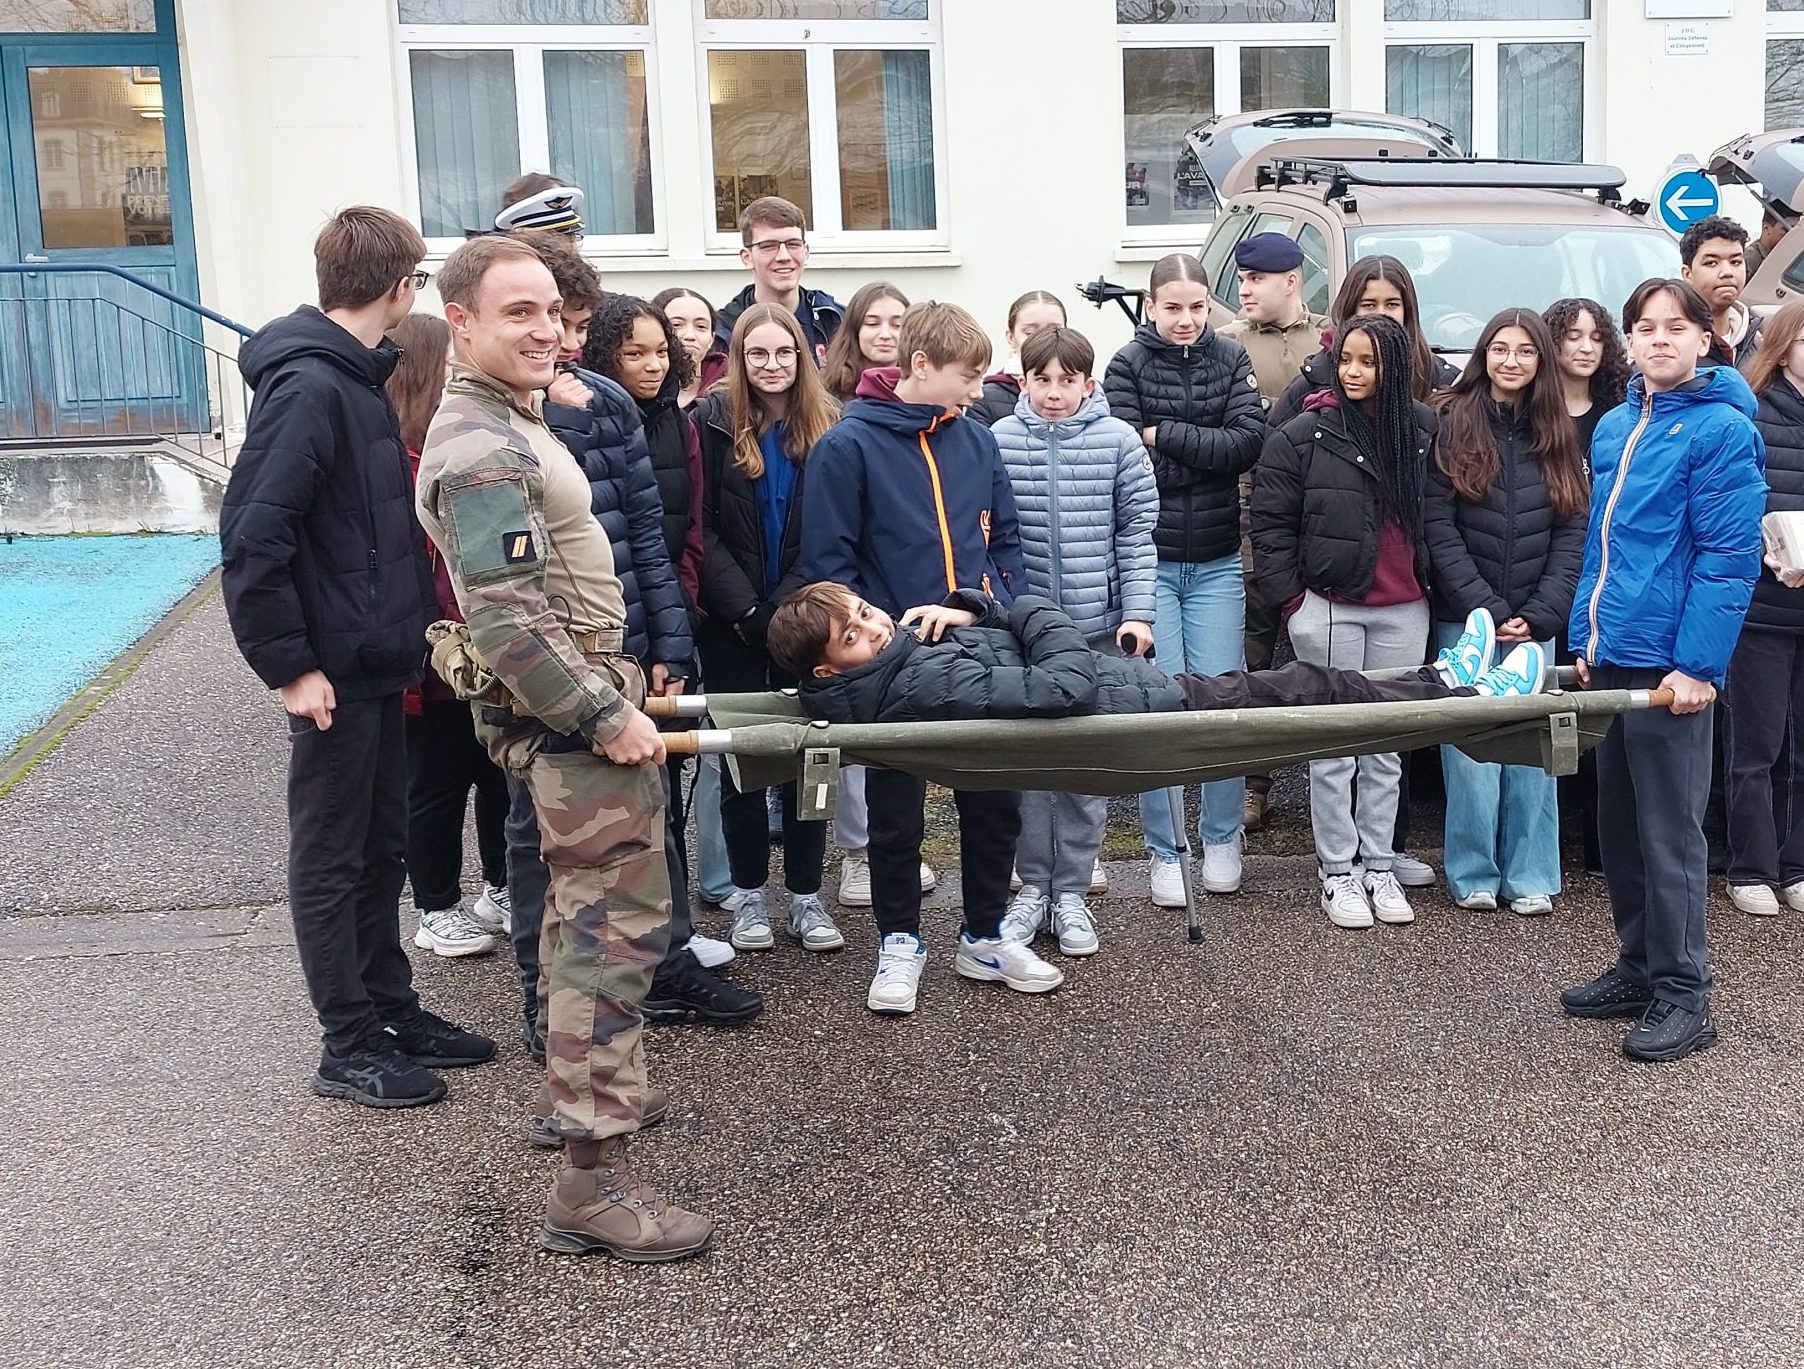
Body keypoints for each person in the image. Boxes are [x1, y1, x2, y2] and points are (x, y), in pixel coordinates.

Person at [417, 234, 713, 1260]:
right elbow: (507, 621)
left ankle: (582, 1105)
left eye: (552, 311)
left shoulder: (513, 415)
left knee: (583, 929)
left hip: (575, 710)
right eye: (519, 313)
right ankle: (593, 1182)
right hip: (575, 722)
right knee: (607, 941)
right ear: (461, 322)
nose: (547, 330)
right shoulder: (481, 446)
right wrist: (606, 715)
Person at [220, 206, 494, 1108]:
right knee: (333, 858)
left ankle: (388, 1007)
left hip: (379, 664)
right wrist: (289, 666)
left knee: (382, 849)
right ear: (400, 286)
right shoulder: (310, 386)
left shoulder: (358, 376)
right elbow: (254, 537)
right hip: (331, 676)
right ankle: (347, 1041)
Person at [800, 299, 1044, 1015]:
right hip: (894, 663)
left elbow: (1006, 544)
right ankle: (899, 941)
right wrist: (887, 639)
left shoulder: (979, 440)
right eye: (966, 376)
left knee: (994, 801)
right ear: (919, 366)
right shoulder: (846, 446)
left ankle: (985, 934)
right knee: (896, 811)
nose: (978, 389)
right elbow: (829, 568)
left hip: (981, 648)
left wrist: (987, 608)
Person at [1561, 277, 1766, 1065]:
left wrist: (1697, 665)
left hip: (1671, 666)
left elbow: (1727, 558)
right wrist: (1585, 635)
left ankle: (1685, 993)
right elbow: (1602, 543)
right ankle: (1640, 965)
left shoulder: (1722, 429)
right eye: (1645, 327)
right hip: (1615, 654)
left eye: (1676, 327)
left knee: (1669, 832)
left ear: (1706, 339)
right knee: (1619, 824)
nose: (1658, 339)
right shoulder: (1617, 424)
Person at [1251, 313, 1437, 930]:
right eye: (1346, 360)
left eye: (1369, 361)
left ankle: (1379, 864)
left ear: (1395, 367)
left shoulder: (1422, 428)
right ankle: (1337, 872)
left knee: (1387, 745)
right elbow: (1270, 527)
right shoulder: (1303, 434)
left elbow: (1439, 514)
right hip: (1328, 607)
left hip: (1404, 608)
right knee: (1333, 748)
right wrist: (1294, 603)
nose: (1353, 372)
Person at [1103, 253, 1265, 906]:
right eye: (1172, 307)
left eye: (1197, 306)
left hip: (1219, 560)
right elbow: (1128, 462)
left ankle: (1223, 837)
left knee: (1224, 702)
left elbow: (1245, 446)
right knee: (1161, 706)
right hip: (1151, 565)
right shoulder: (1126, 365)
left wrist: (1162, 432)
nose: (1186, 319)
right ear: (1150, 306)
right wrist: (1203, 450)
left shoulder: (1230, 357)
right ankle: (1166, 848)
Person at [991, 324, 1156, 956]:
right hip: (1027, 635)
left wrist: (1137, 613)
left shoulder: (1118, 441)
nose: (1054, 393)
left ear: (1089, 384)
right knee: (1030, 767)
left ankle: (1073, 890)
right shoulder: (999, 439)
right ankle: (1033, 886)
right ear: (1023, 381)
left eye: (1067, 381)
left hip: (1097, 628)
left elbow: (1137, 534)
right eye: (1042, 380)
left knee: (1084, 766)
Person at [766, 587, 1541, 722]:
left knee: (1311, 681)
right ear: (828, 670)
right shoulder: (918, 681)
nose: (875, 628)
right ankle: (1466, 696)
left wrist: (976, 609)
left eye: (864, 612)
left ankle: (1443, 678)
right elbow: (1059, 688)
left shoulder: (909, 662)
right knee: (1307, 685)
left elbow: (1016, 664)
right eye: (854, 635)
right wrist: (1030, 608)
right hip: (1143, 708)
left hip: (1135, 691)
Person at [1425, 309, 1588, 917]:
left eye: (1524, 350)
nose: (1511, 360)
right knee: (1471, 752)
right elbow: (1438, 527)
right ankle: (1473, 872)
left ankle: (1531, 874)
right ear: (1483, 354)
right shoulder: (1452, 423)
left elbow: (1573, 531)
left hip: (1535, 622)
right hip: (1465, 621)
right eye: (1499, 348)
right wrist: (1485, 608)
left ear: (1541, 359)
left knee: (1534, 752)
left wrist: (1542, 613)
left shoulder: (1559, 433)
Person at [693, 304, 844, 953]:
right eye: (758, 353)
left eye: (784, 353)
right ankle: (750, 892)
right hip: (732, 621)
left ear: (802, 356)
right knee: (742, 757)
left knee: (811, 758)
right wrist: (748, 611)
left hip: (807, 618)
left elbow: (832, 529)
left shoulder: (831, 423)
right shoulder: (709, 421)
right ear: (739, 358)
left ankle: (807, 895)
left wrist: (787, 610)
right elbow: (700, 525)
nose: (772, 365)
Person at [386, 311, 511, 959]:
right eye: (451, 364)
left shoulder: (460, 443)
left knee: (498, 775)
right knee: (435, 787)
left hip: (485, 646)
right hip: (429, 659)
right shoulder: (394, 460)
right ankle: (435, 907)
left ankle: (502, 886)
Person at [1220, 232, 1331, 831]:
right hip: (1253, 509)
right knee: (1255, 644)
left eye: (1256, 279)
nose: (1244, 289)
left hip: (1324, 512)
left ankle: (1334, 782)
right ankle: (1252, 782)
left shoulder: (1330, 341)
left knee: (1327, 646)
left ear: (1291, 281)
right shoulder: (1227, 344)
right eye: (1242, 278)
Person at [1722, 300, 1804, 916]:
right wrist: (1766, 549)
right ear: (1782, 345)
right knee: (1756, 745)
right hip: (1762, 606)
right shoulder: (1752, 412)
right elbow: (1730, 508)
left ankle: (1796, 864)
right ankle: (1750, 867)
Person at [1544, 296, 1630, 876]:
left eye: (1596, 337)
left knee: (1600, 706)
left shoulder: (1619, 413)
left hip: (1605, 575)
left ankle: (1602, 849)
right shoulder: (1539, 412)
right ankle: (1550, 848)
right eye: (1572, 336)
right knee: (1553, 707)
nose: (1584, 347)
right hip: (1549, 574)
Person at [1268, 255, 1458, 428]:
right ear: (1351, 310)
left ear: (1407, 310)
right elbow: (1278, 446)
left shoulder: (1439, 379)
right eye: (1369, 305)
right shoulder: (1315, 379)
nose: (1381, 314)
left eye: (1392, 304)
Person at [714, 196, 843, 362]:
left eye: (793, 244)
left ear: (806, 252)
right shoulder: (723, 331)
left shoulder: (836, 321)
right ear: (747, 257)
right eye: (768, 246)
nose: (784, 256)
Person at [968, 291, 1067, 427]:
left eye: (1055, 331)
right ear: (1011, 337)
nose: (1044, 340)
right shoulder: (984, 400)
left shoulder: (1087, 394)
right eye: (1030, 333)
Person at [1680, 214, 1764, 369]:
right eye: (1712, 263)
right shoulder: (1671, 344)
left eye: (1735, 262)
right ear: (1688, 274)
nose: (1727, 272)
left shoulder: (1761, 342)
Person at [654, 286, 728, 409]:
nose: (690, 335)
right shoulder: (635, 392)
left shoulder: (731, 391)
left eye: (701, 326)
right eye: (677, 325)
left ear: (712, 339)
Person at [1745, 206, 1788, 278]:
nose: (1792, 234)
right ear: (1766, 228)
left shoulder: (1776, 256)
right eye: (1786, 230)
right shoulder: (1751, 258)